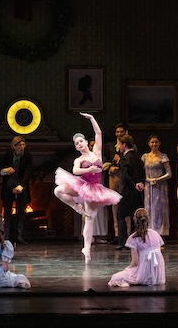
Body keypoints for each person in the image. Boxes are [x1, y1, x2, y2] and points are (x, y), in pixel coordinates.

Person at [54, 113, 122, 263]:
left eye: (81, 141)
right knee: (58, 190)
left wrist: (91, 118)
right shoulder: (79, 159)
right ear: (76, 147)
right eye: (76, 143)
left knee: (90, 219)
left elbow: (98, 133)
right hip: (82, 185)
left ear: (85, 142)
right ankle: (76, 207)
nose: (79, 144)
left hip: (95, 189)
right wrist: (89, 170)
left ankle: (87, 249)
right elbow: (75, 171)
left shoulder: (97, 152)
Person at [108, 208, 165, 287]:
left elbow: (135, 262)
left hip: (144, 271)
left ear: (135, 220)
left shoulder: (133, 238)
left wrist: (127, 269)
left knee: (116, 277)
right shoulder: (155, 234)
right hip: (158, 274)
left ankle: (146, 276)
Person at [110, 134, 145, 250]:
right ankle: (138, 241)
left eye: (120, 144)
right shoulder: (138, 157)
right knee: (137, 216)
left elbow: (125, 176)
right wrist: (140, 183)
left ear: (124, 145)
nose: (119, 147)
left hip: (128, 191)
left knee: (121, 215)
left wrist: (134, 184)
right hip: (138, 192)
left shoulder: (125, 159)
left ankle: (123, 242)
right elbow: (142, 174)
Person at [0, 136, 33, 245]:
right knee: (7, 212)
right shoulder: (8, 155)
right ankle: (7, 236)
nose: (21, 147)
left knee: (21, 212)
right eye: (19, 145)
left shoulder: (27, 156)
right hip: (8, 186)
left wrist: (21, 186)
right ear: (14, 146)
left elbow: (28, 172)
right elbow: (1, 168)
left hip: (21, 186)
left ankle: (19, 236)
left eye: (23, 145)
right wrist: (5, 170)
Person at [141, 134, 172, 236]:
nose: (154, 144)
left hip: (159, 186)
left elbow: (169, 173)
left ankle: (159, 233)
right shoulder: (145, 157)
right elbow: (141, 172)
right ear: (149, 144)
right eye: (152, 142)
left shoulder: (163, 156)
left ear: (159, 143)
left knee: (158, 208)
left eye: (156, 142)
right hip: (148, 186)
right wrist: (146, 179)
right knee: (148, 208)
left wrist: (157, 179)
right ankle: (149, 231)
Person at [103, 122, 128, 243]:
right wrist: (110, 168)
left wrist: (119, 165)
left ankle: (127, 234)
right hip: (113, 177)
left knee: (125, 204)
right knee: (115, 205)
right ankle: (117, 234)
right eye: (117, 132)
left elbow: (131, 160)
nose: (119, 134)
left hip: (124, 176)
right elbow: (105, 161)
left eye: (121, 131)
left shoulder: (130, 145)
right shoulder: (111, 147)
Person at [89, 138, 109, 242]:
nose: (93, 147)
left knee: (100, 210)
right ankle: (90, 235)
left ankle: (101, 234)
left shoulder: (101, 158)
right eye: (91, 145)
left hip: (99, 186)